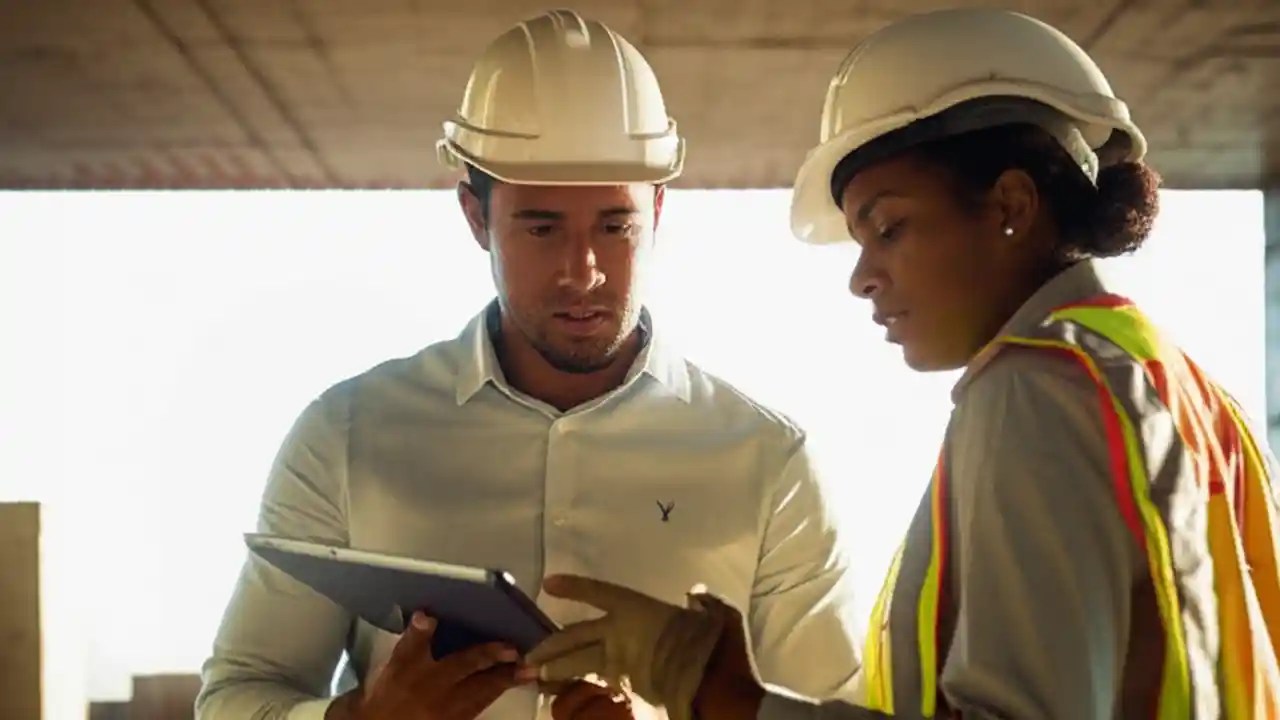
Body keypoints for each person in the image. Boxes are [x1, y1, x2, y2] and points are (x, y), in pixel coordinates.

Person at [518, 7, 1280, 719]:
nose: (863, 275)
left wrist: (720, 694)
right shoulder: (1183, 394)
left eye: (889, 227)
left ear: (1011, 205)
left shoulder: (1034, 387)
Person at [194, 9, 863, 720]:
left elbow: (831, 710)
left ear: (659, 210)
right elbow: (236, 697)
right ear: (474, 216)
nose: (585, 273)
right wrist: (361, 719)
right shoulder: (345, 435)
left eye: (616, 226)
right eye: (542, 228)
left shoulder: (770, 464)